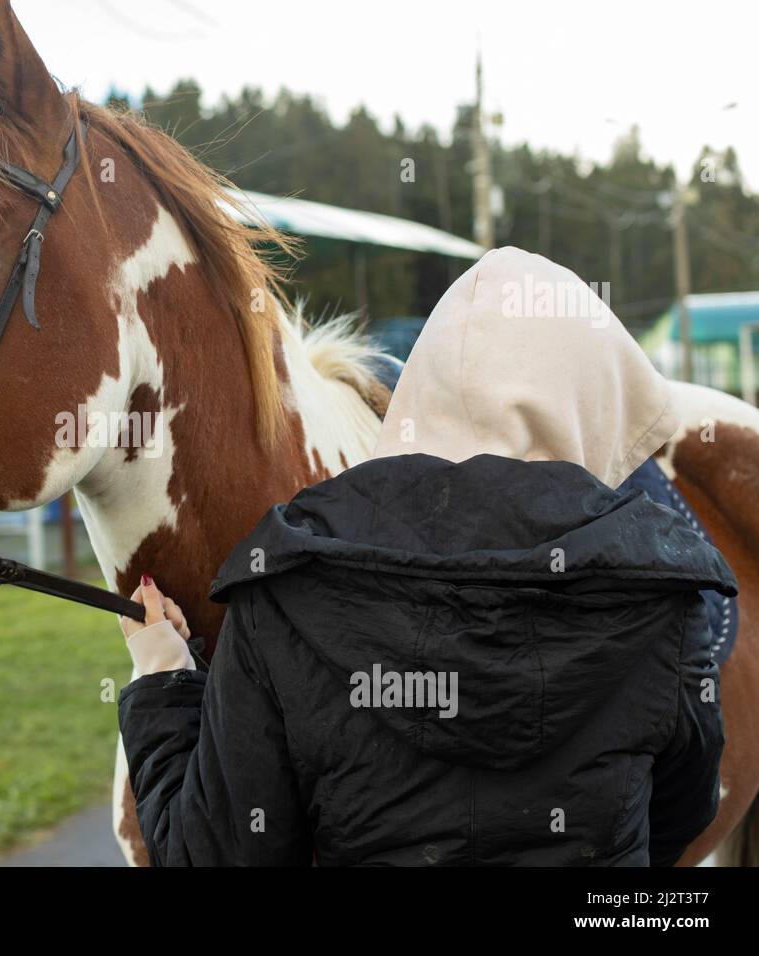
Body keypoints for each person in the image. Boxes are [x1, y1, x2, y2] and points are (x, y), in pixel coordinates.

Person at [116, 246, 735, 867]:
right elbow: (680, 813)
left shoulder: (283, 589)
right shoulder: (664, 601)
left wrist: (162, 678)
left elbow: (214, 854)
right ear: (592, 398)